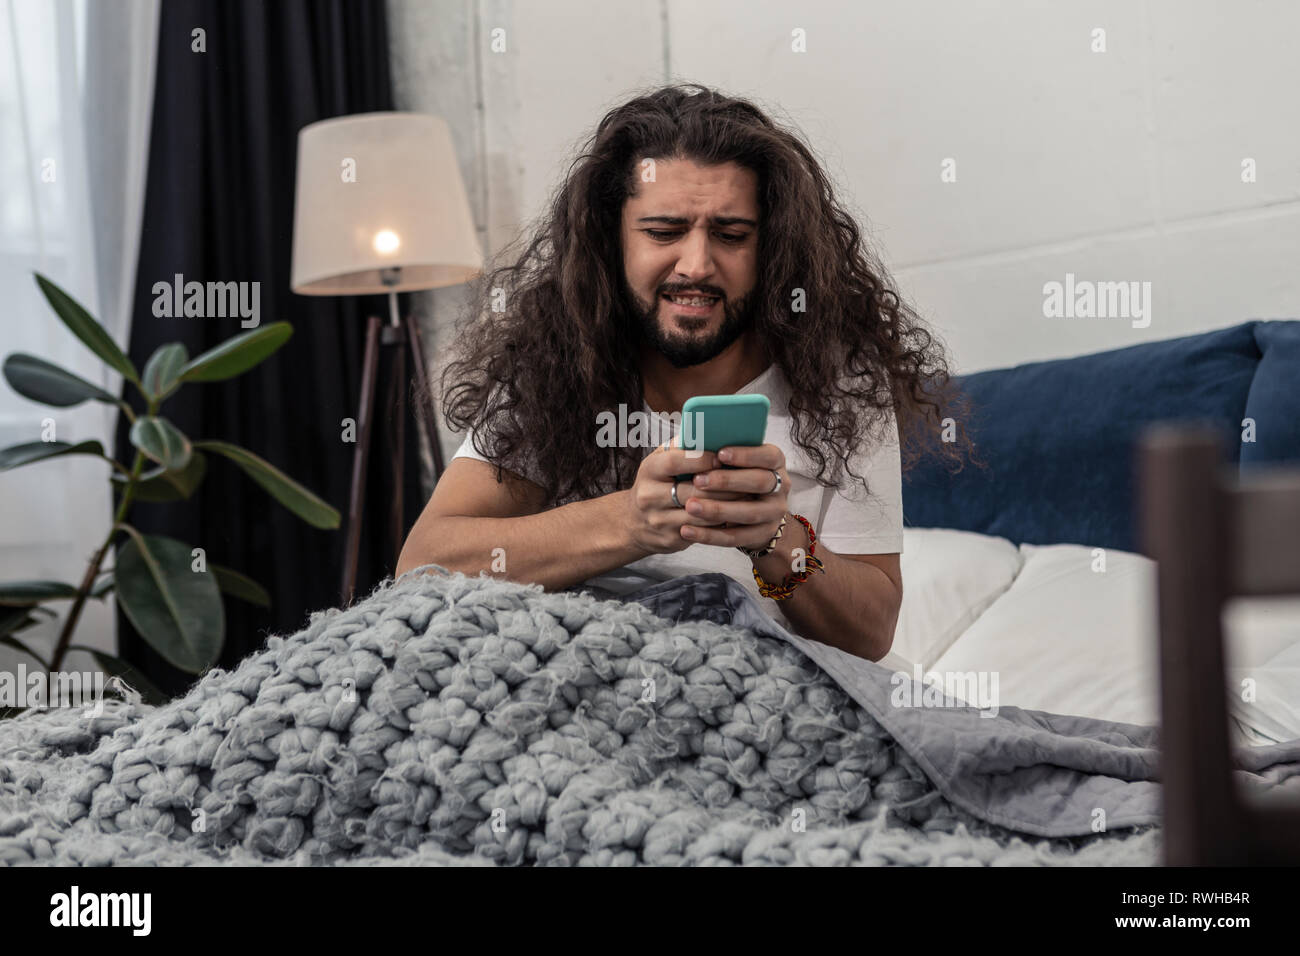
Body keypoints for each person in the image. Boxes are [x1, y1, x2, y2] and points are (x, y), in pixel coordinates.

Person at [397, 84, 967, 662]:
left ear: (772, 248)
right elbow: (424, 565)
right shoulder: (551, 366)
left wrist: (775, 536)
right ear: (609, 240)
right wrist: (632, 521)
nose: (696, 265)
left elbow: (869, 635)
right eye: (663, 232)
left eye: (731, 235)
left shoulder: (840, 383)